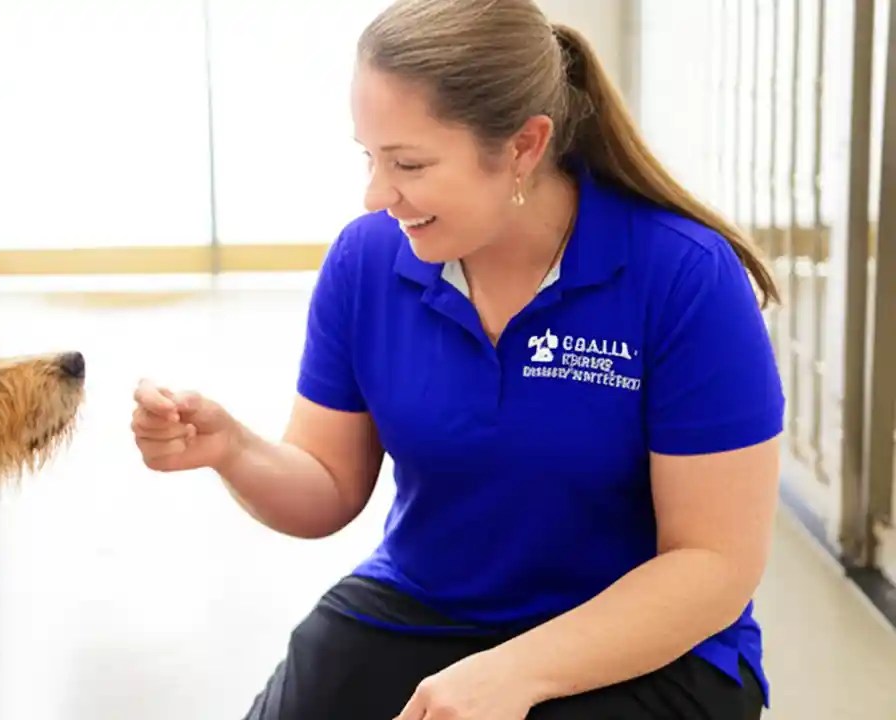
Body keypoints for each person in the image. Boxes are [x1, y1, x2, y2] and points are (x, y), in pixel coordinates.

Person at [130, 1, 782, 718]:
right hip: (427, 606)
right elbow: (327, 487)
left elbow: (714, 563)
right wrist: (232, 448)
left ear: (524, 147)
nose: (376, 194)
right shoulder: (368, 259)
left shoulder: (683, 276)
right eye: (369, 156)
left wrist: (515, 673)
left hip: (643, 643)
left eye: (408, 163)